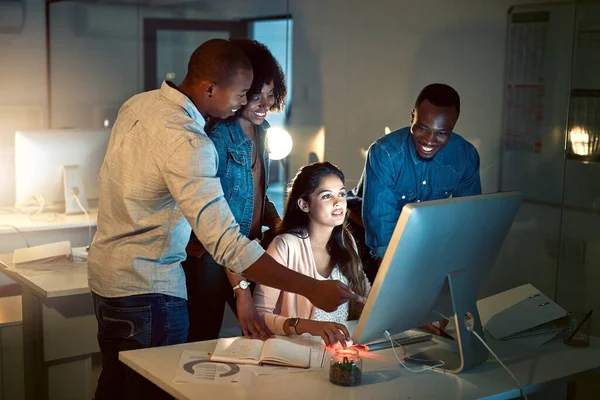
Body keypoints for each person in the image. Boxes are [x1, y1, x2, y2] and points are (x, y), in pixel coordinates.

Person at [88, 39, 363, 400]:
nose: (244, 102)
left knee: (115, 385)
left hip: (108, 278)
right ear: (211, 88)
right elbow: (225, 243)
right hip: (149, 287)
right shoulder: (192, 143)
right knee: (156, 390)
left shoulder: (138, 104)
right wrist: (310, 287)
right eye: (243, 93)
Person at [349, 83, 480, 337]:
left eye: (442, 134)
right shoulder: (385, 153)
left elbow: (466, 223)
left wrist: (446, 294)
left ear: (452, 129)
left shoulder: (465, 157)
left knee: (430, 322)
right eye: (422, 128)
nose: (430, 141)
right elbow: (382, 235)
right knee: (383, 322)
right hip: (366, 236)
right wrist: (409, 300)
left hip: (419, 238)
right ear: (412, 116)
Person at [183, 39, 286, 342]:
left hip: (248, 250)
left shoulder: (263, 131)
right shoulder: (218, 137)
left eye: (270, 95)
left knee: (264, 334)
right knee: (202, 341)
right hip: (213, 260)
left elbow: (256, 195)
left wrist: (282, 226)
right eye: (255, 96)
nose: (265, 105)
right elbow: (219, 225)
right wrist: (241, 291)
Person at [254, 162, 371, 346]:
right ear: (304, 204)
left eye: (341, 193)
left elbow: (367, 297)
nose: (338, 202)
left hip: (340, 352)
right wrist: (306, 325)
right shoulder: (285, 245)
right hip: (297, 352)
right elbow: (259, 315)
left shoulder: (347, 240)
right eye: (326, 196)